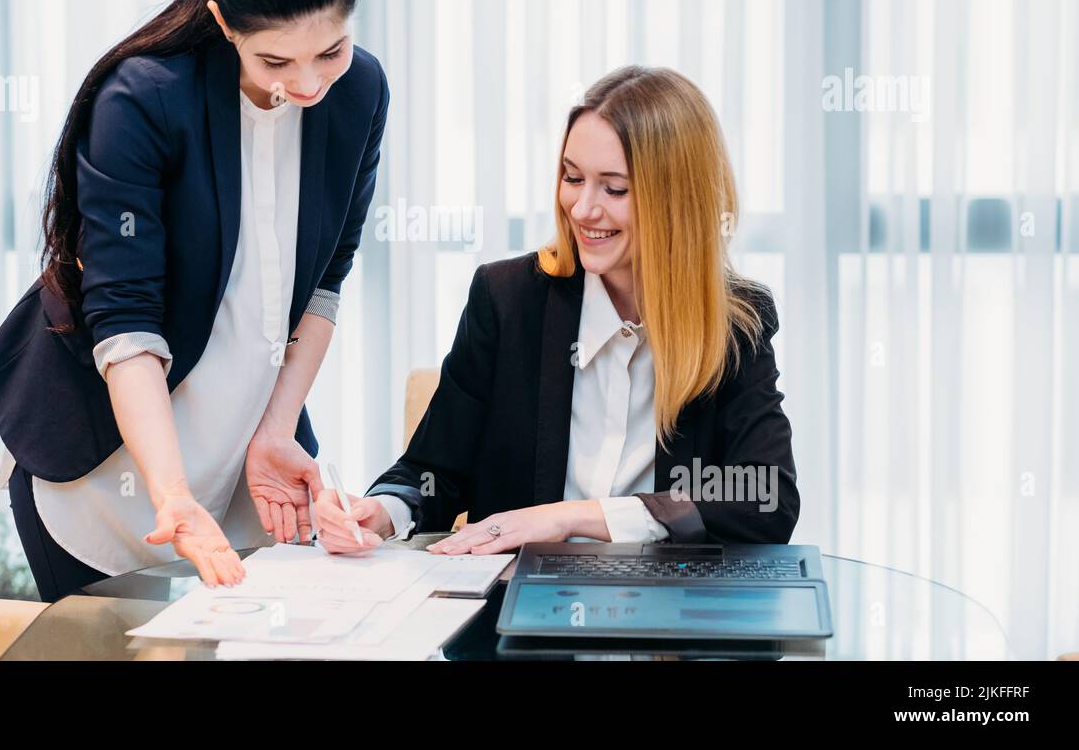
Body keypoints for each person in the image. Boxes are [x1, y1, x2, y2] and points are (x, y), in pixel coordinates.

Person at [0, 0, 389, 600]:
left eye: (332, 51)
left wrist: (276, 428)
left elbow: (325, 282)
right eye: (277, 61)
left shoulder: (360, 91)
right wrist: (170, 494)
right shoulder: (144, 101)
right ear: (224, 23)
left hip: (244, 456)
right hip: (105, 464)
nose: (310, 84)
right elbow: (125, 321)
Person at [314, 66, 796, 555]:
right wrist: (384, 512)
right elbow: (433, 472)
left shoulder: (736, 322)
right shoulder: (507, 299)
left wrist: (572, 518)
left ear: (677, 202)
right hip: (518, 605)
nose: (583, 209)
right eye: (573, 177)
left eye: (615, 188)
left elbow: (764, 497)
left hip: (669, 606)